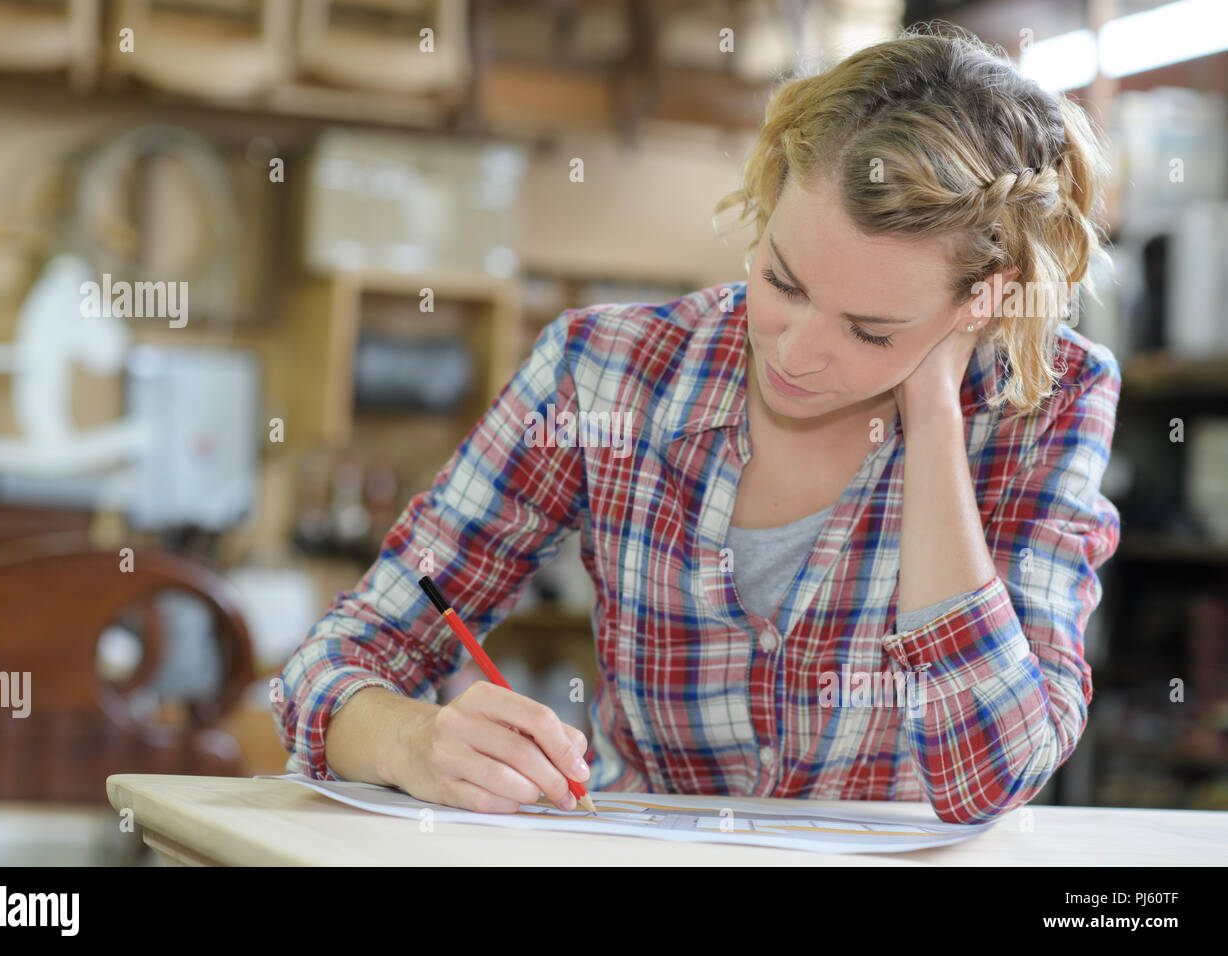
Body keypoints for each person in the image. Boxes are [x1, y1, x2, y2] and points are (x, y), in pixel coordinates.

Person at [272, 24, 1121, 825]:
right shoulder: (606, 371)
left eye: (870, 330)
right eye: (782, 281)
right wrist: (410, 738)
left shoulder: (1047, 403)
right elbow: (338, 659)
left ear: (985, 301)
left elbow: (993, 774)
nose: (795, 351)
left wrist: (934, 411)